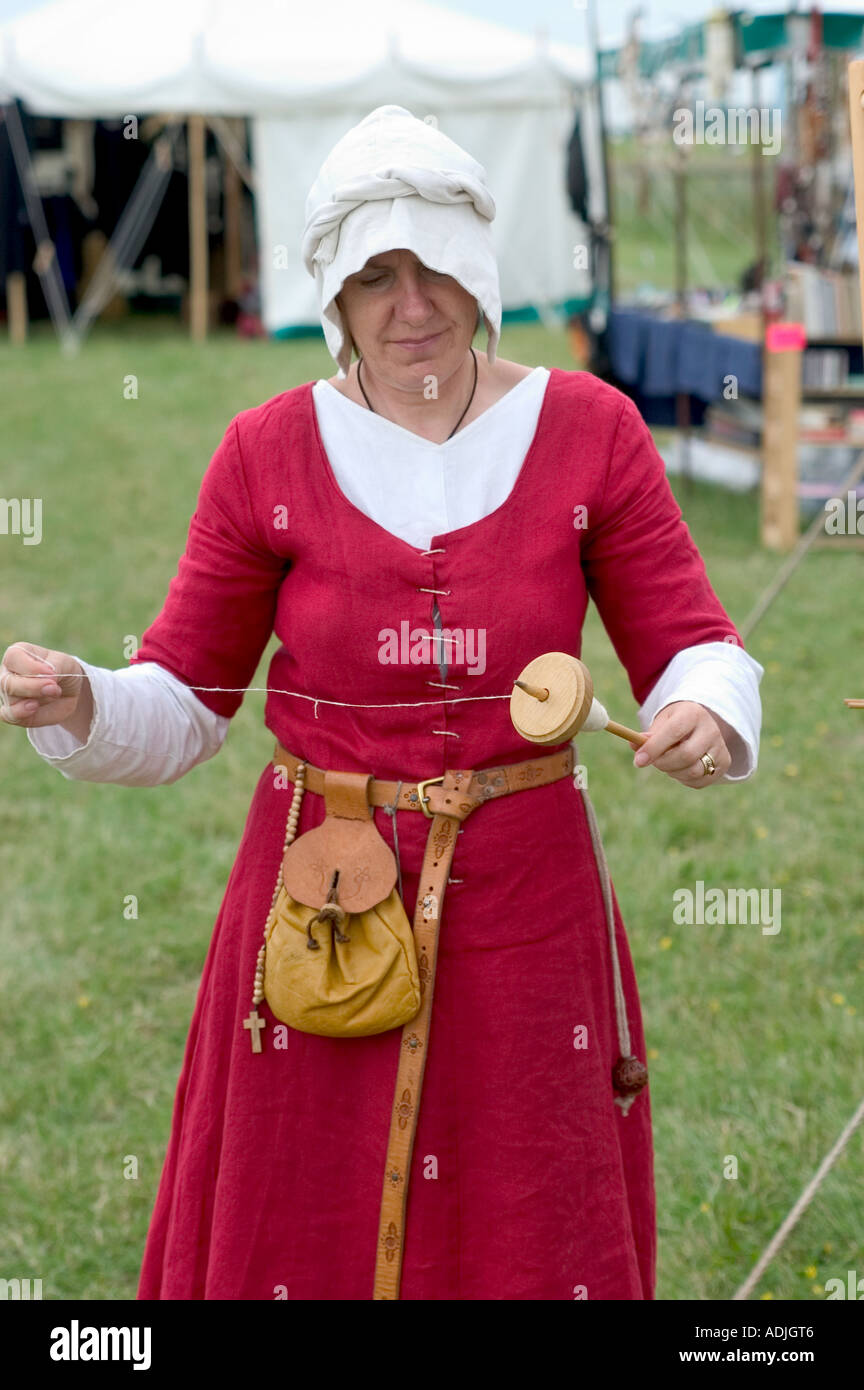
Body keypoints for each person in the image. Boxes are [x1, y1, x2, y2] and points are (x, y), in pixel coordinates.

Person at [0, 105, 762, 1301]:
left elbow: (697, 645)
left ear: (480, 270)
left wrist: (710, 708)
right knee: (310, 1209)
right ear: (333, 295)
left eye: (435, 267)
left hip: (529, 901)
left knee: (526, 1207)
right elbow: (185, 700)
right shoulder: (264, 453)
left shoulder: (592, 433)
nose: (412, 302)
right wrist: (85, 698)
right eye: (375, 276)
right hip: (327, 895)